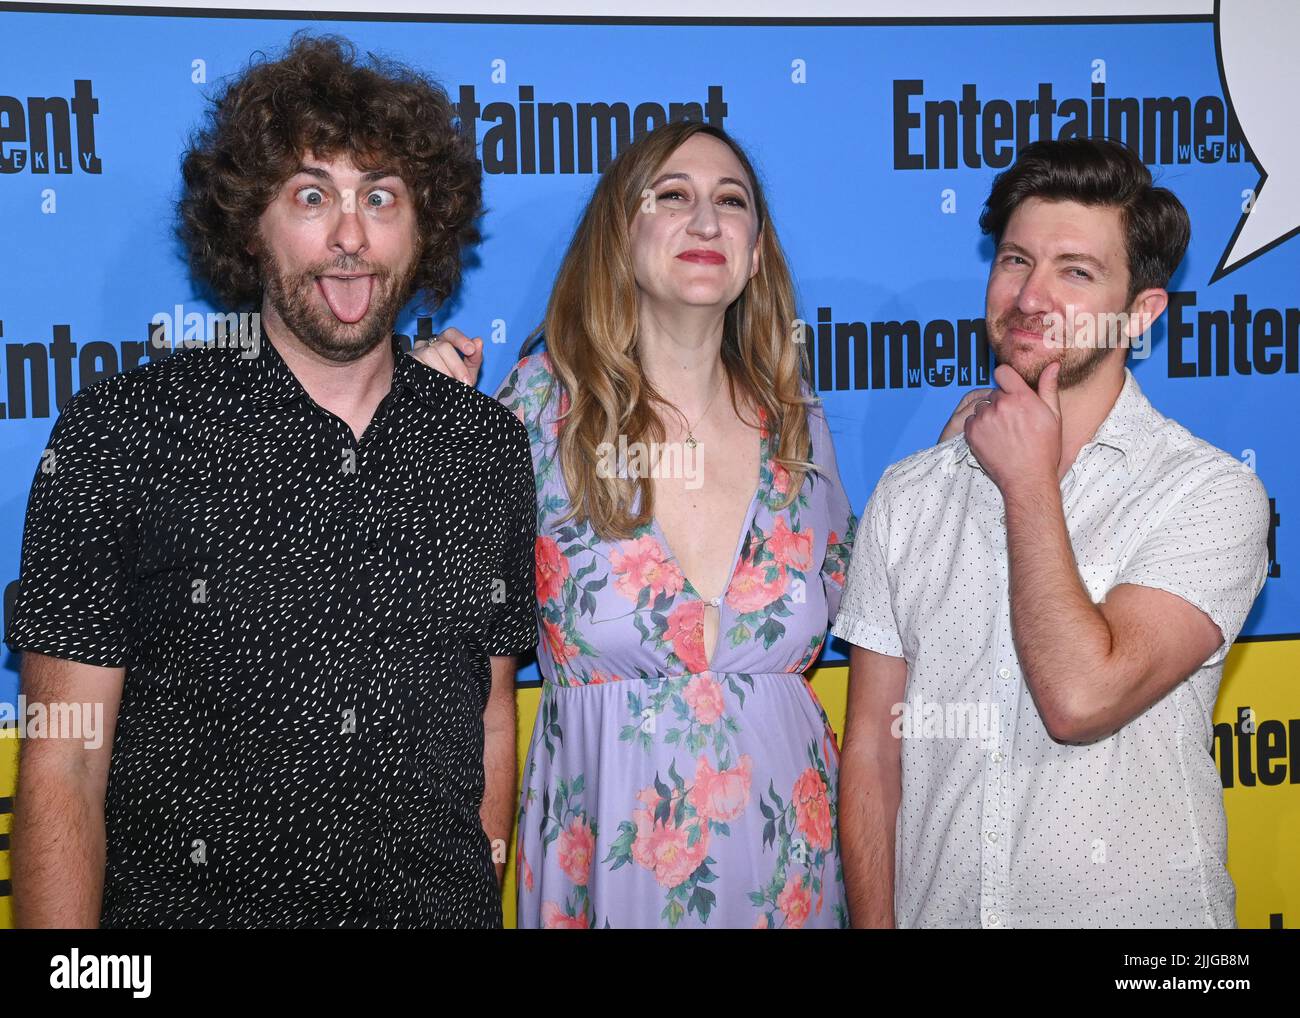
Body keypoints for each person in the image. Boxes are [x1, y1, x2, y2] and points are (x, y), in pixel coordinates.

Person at [3, 32, 536, 928]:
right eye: (311, 195)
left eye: (381, 196)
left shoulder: (484, 445)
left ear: (425, 226)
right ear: (251, 223)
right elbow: (65, 759)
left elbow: (488, 718)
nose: (351, 234)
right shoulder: (125, 433)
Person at [422, 119, 858, 928]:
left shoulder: (798, 423)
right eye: (672, 197)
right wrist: (410, 428)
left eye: (731, 203)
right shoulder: (531, 414)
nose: (705, 221)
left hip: (796, 874)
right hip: (609, 868)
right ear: (619, 237)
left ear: (755, 253)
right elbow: (455, 677)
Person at [832, 138, 1271, 928]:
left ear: (1141, 313)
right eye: (1014, 260)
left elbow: (1079, 698)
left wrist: (1027, 483)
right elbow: (871, 752)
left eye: (1076, 271)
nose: (1031, 295)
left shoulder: (1210, 494)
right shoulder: (909, 495)